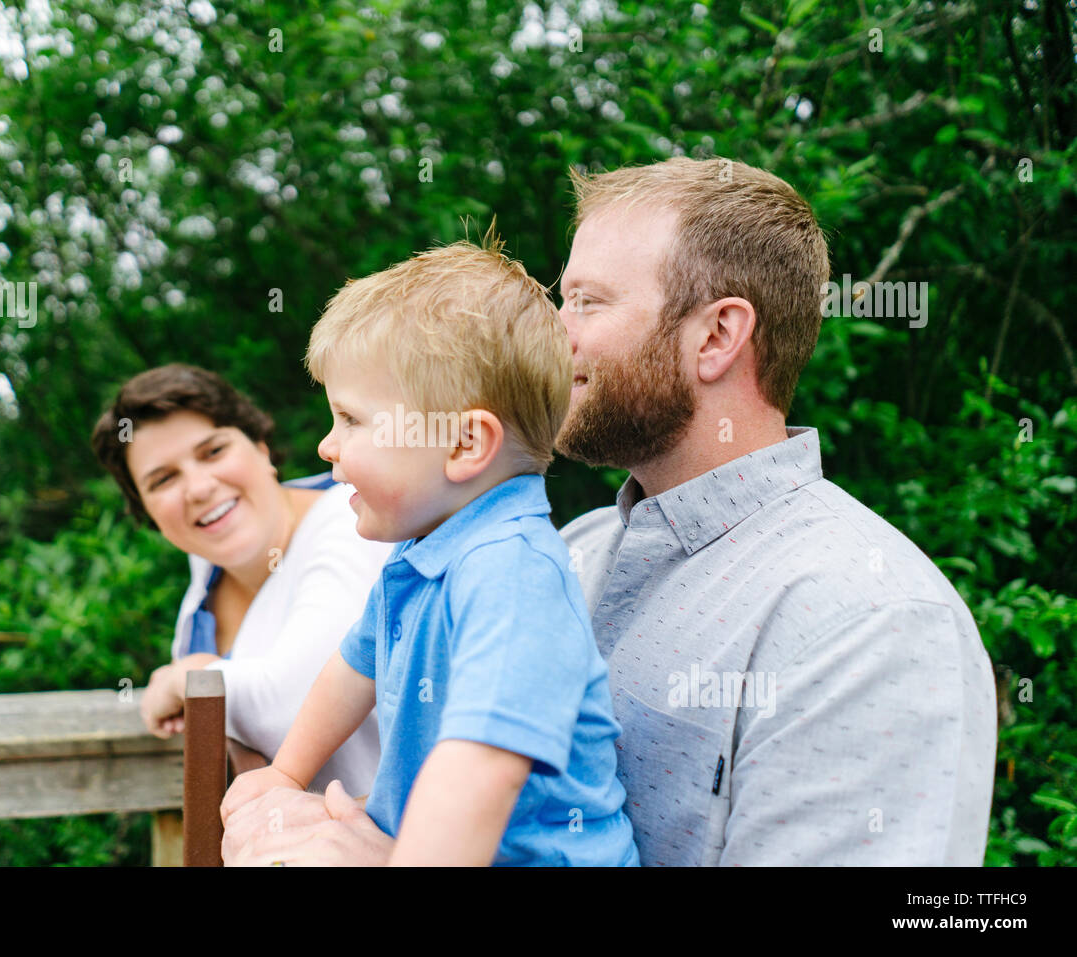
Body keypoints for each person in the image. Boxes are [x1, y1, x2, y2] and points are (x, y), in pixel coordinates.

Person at [221, 158, 997, 866]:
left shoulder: (870, 617)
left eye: (586, 302)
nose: (551, 334)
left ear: (718, 336)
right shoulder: (574, 548)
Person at [220, 234, 640, 866]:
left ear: (465, 446)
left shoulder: (511, 573)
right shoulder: (423, 552)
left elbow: (480, 771)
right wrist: (285, 773)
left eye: (353, 421)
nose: (327, 448)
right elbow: (352, 668)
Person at [90, 364, 391, 794]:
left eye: (213, 452)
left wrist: (185, 679)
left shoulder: (352, 522)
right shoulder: (205, 571)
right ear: (148, 513)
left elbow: (289, 709)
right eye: (163, 480)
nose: (198, 488)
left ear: (261, 447)